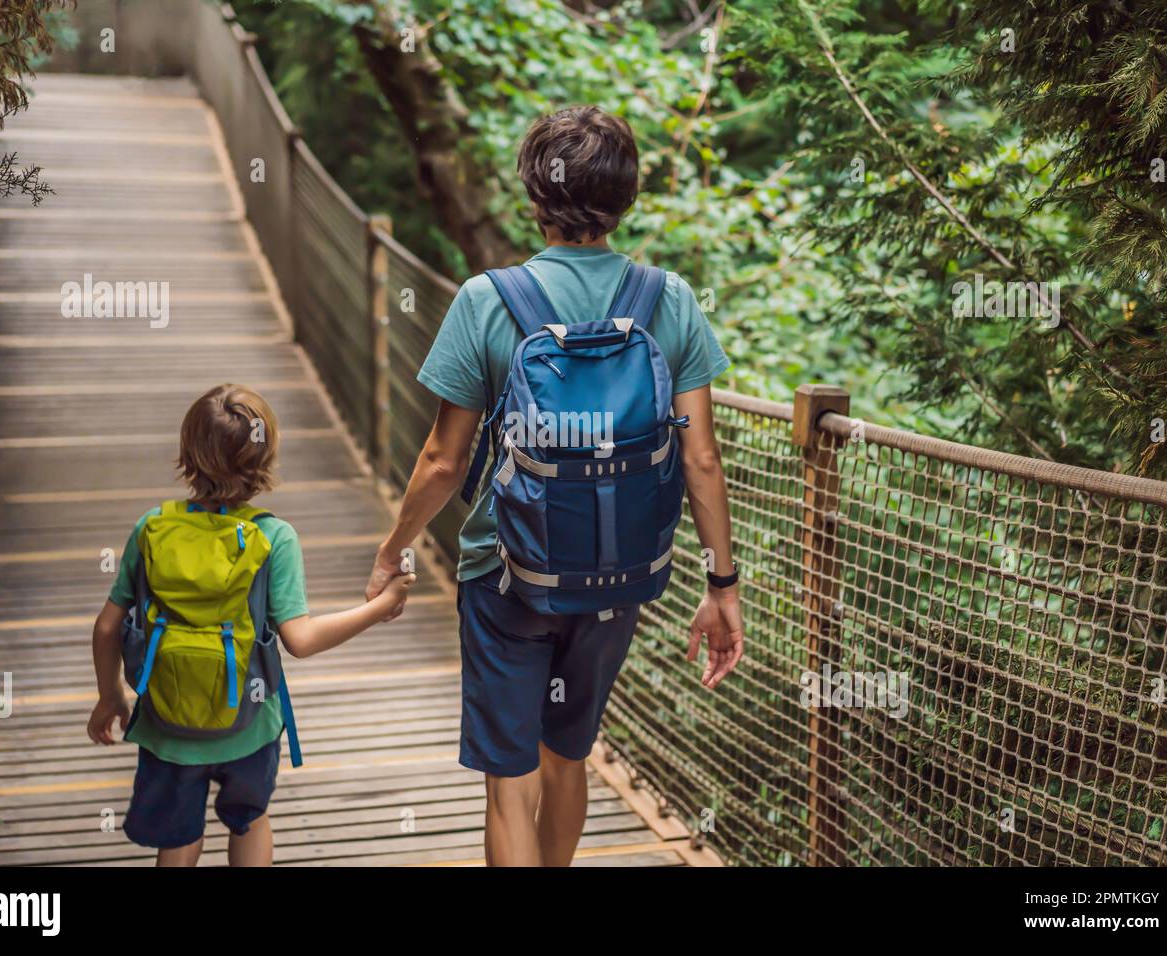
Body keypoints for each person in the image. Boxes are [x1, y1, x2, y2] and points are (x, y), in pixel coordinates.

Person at [365, 107, 744, 866]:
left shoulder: (487, 300)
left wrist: (392, 551)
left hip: (506, 576)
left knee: (510, 779)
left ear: (534, 197)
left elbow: (443, 461)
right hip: (617, 576)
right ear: (626, 197)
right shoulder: (669, 300)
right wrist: (722, 584)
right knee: (568, 756)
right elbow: (701, 460)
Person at [86, 384, 414, 866]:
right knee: (251, 819)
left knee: (176, 839)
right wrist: (380, 607)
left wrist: (111, 695)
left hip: (167, 725)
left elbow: (107, 627)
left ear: (187, 453)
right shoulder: (272, 537)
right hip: (250, 725)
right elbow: (299, 640)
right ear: (266, 456)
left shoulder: (152, 528)